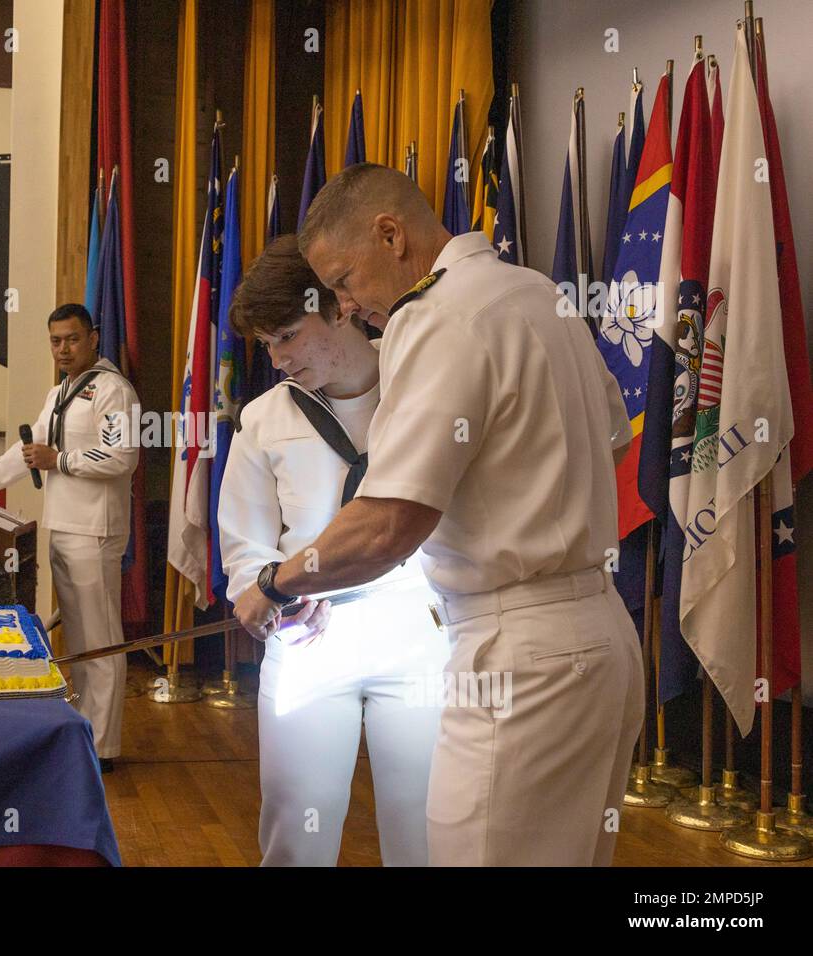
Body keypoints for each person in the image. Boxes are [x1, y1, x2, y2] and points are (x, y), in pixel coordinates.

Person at [234, 163, 641, 866]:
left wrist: (276, 586)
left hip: (519, 649)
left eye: (343, 281)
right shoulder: (539, 293)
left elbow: (390, 524)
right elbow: (614, 437)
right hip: (600, 632)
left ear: (390, 235)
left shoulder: (437, 317)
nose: (347, 304)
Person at [219, 236, 448, 866]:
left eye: (288, 335)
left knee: (426, 827)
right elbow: (244, 543)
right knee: (297, 827)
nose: (278, 359)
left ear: (339, 308)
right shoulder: (264, 419)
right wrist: (277, 594)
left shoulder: (424, 388)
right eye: (267, 345)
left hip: (420, 634)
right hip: (308, 639)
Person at [0, 304, 139, 772]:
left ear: (94, 338)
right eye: (56, 341)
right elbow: (27, 455)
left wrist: (58, 459)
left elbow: (123, 457)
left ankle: (102, 749)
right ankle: (85, 736)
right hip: (62, 526)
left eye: (72, 339)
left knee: (100, 641)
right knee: (79, 642)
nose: (63, 349)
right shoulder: (60, 392)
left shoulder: (114, 391)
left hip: (95, 530)